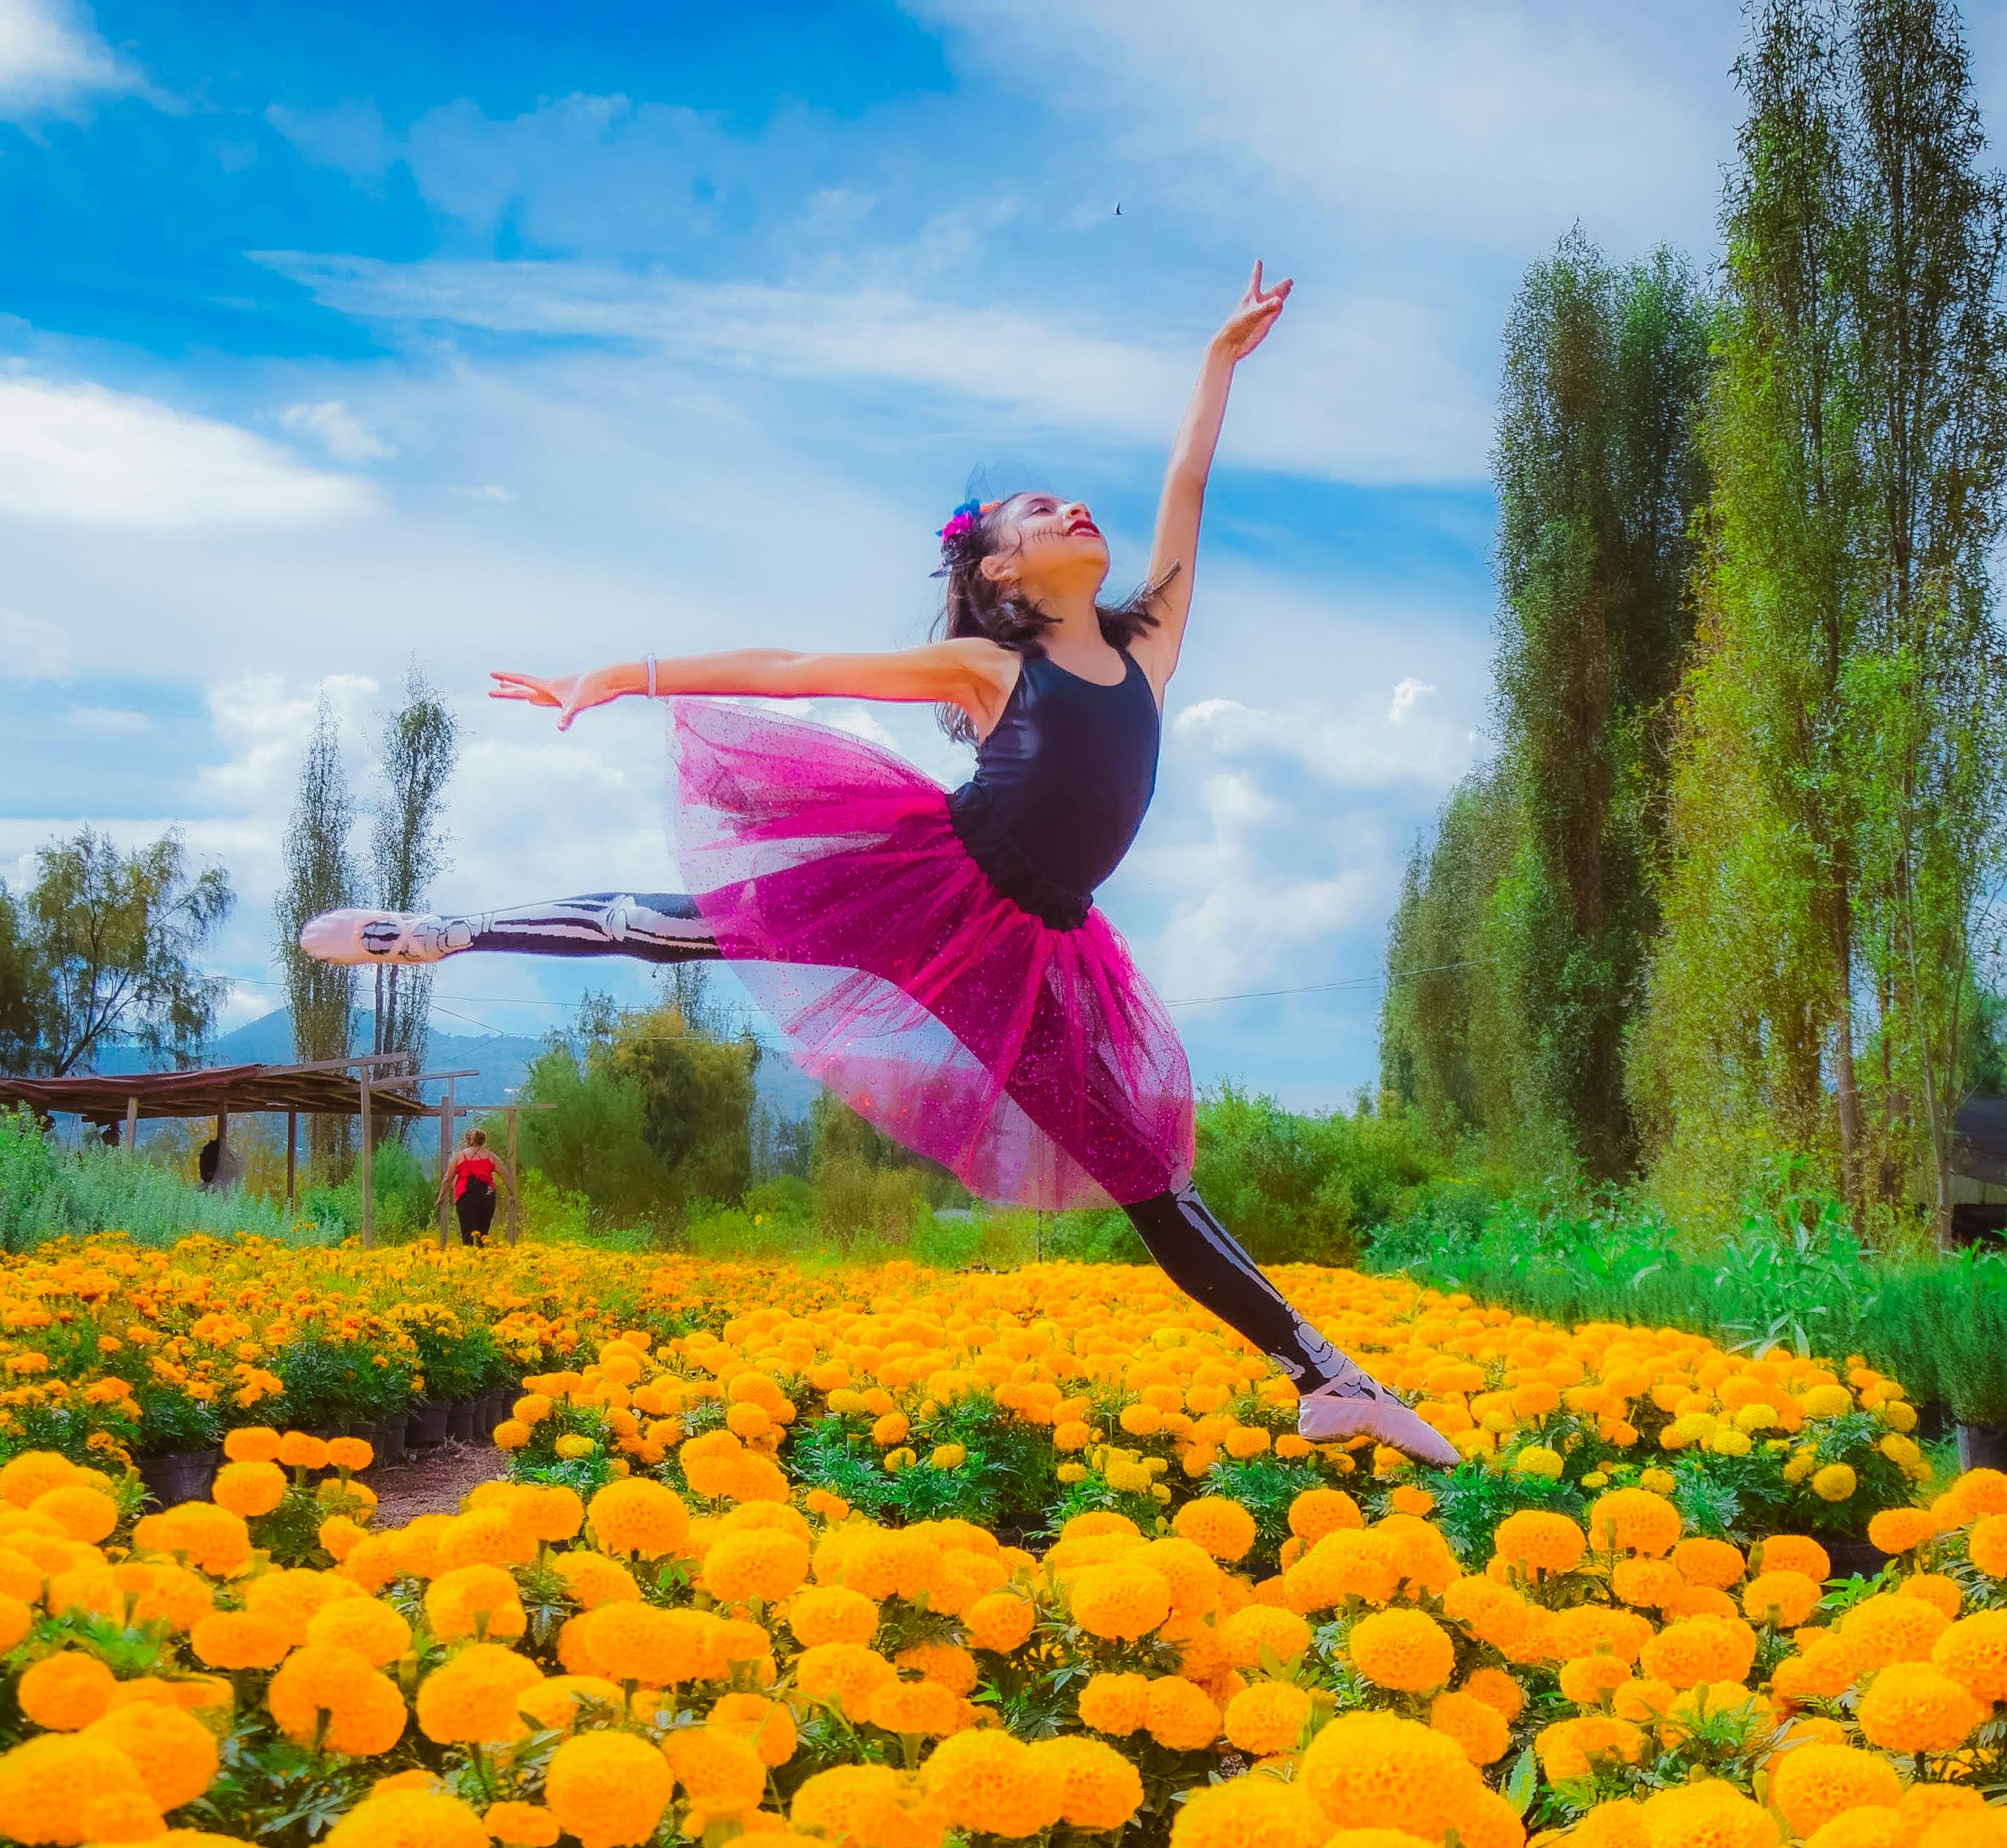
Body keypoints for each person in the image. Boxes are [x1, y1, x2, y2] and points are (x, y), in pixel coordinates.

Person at [303, 266, 1459, 1467]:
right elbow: (795, 667)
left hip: (1038, 955)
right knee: (690, 928)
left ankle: (1328, 1376)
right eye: (1036, 511)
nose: (1069, 508)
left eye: (1070, 501)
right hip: (926, 886)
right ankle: (443, 930)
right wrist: (624, 673)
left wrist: (1218, 362)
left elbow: (1188, 486)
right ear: (1001, 572)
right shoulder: (989, 668)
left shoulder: (1147, 650)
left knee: (1145, 1172)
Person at [446, 1128, 502, 1246]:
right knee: (483, 1232)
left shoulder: (459, 1156)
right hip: (487, 1196)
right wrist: (513, 1194)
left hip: (465, 1196)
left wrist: (441, 1196)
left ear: (469, 1140)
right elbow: (505, 1175)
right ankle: (481, 1256)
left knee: (468, 1232)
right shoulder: (491, 1157)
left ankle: (469, 1257)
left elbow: (447, 1179)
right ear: (483, 1141)